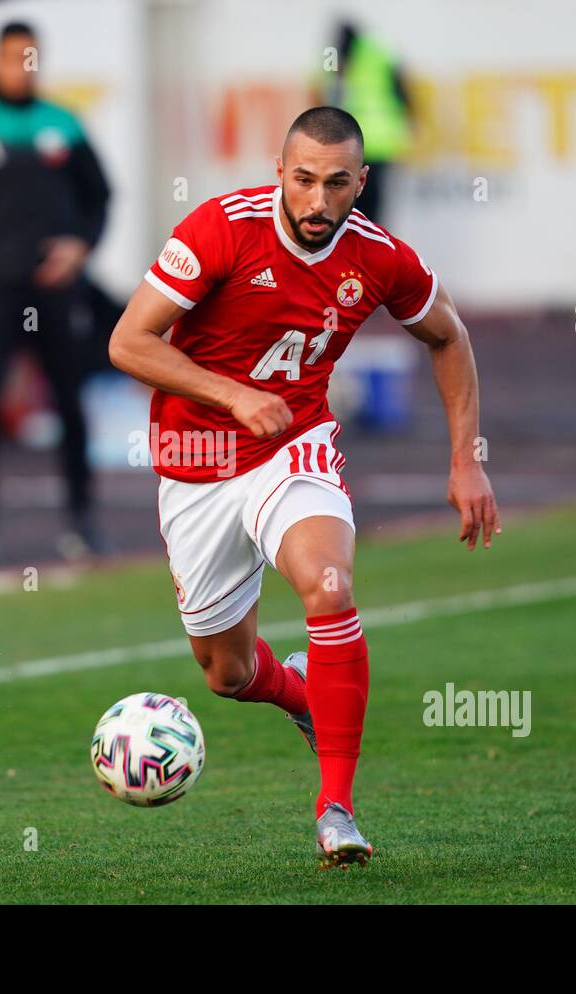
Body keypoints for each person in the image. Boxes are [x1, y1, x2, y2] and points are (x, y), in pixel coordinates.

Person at [108, 107, 499, 866]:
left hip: (295, 447)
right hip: (194, 460)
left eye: (338, 184)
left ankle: (337, 809)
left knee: (328, 585)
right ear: (280, 172)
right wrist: (233, 395)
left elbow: (447, 335)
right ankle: (302, 697)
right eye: (304, 180)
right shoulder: (221, 228)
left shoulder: (381, 255)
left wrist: (465, 458)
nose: (319, 201)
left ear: (363, 182)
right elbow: (129, 341)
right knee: (226, 673)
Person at [0, 20, 112, 565]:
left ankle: (82, 518)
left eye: (31, 57)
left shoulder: (63, 126)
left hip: (54, 290)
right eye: (12, 58)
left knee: (69, 403)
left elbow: (99, 197)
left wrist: (80, 246)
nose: (22, 67)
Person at [313, 20, 416, 225]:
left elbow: (324, 95)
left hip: (361, 144)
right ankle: (370, 245)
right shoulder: (381, 54)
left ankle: (365, 247)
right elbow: (404, 93)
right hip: (376, 142)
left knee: (356, 203)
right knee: (367, 204)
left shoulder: (341, 56)